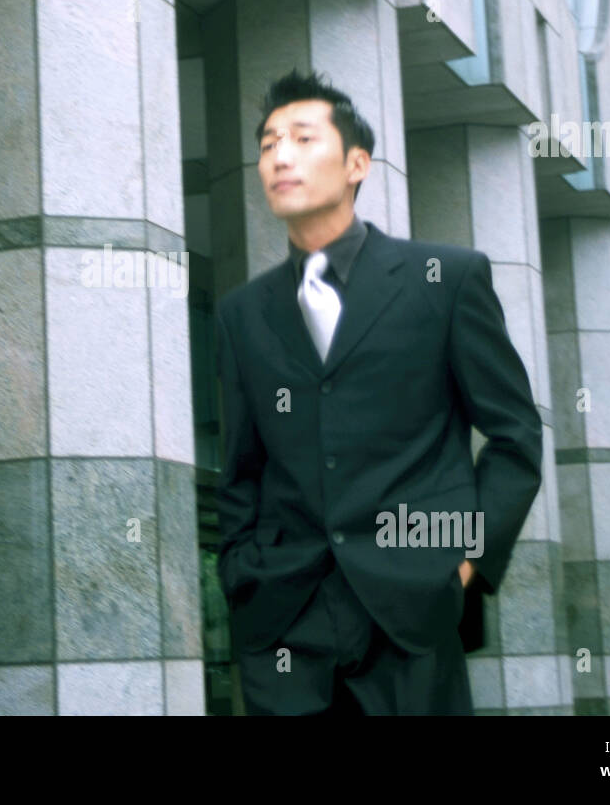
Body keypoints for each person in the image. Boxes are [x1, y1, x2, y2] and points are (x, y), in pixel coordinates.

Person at [214, 69, 542, 715]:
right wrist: (241, 570)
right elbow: (244, 466)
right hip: (285, 618)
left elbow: (514, 434)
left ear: (357, 162)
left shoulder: (445, 279)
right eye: (268, 142)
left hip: (410, 609)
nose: (280, 155)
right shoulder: (243, 313)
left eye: (303, 137)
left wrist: (463, 561)